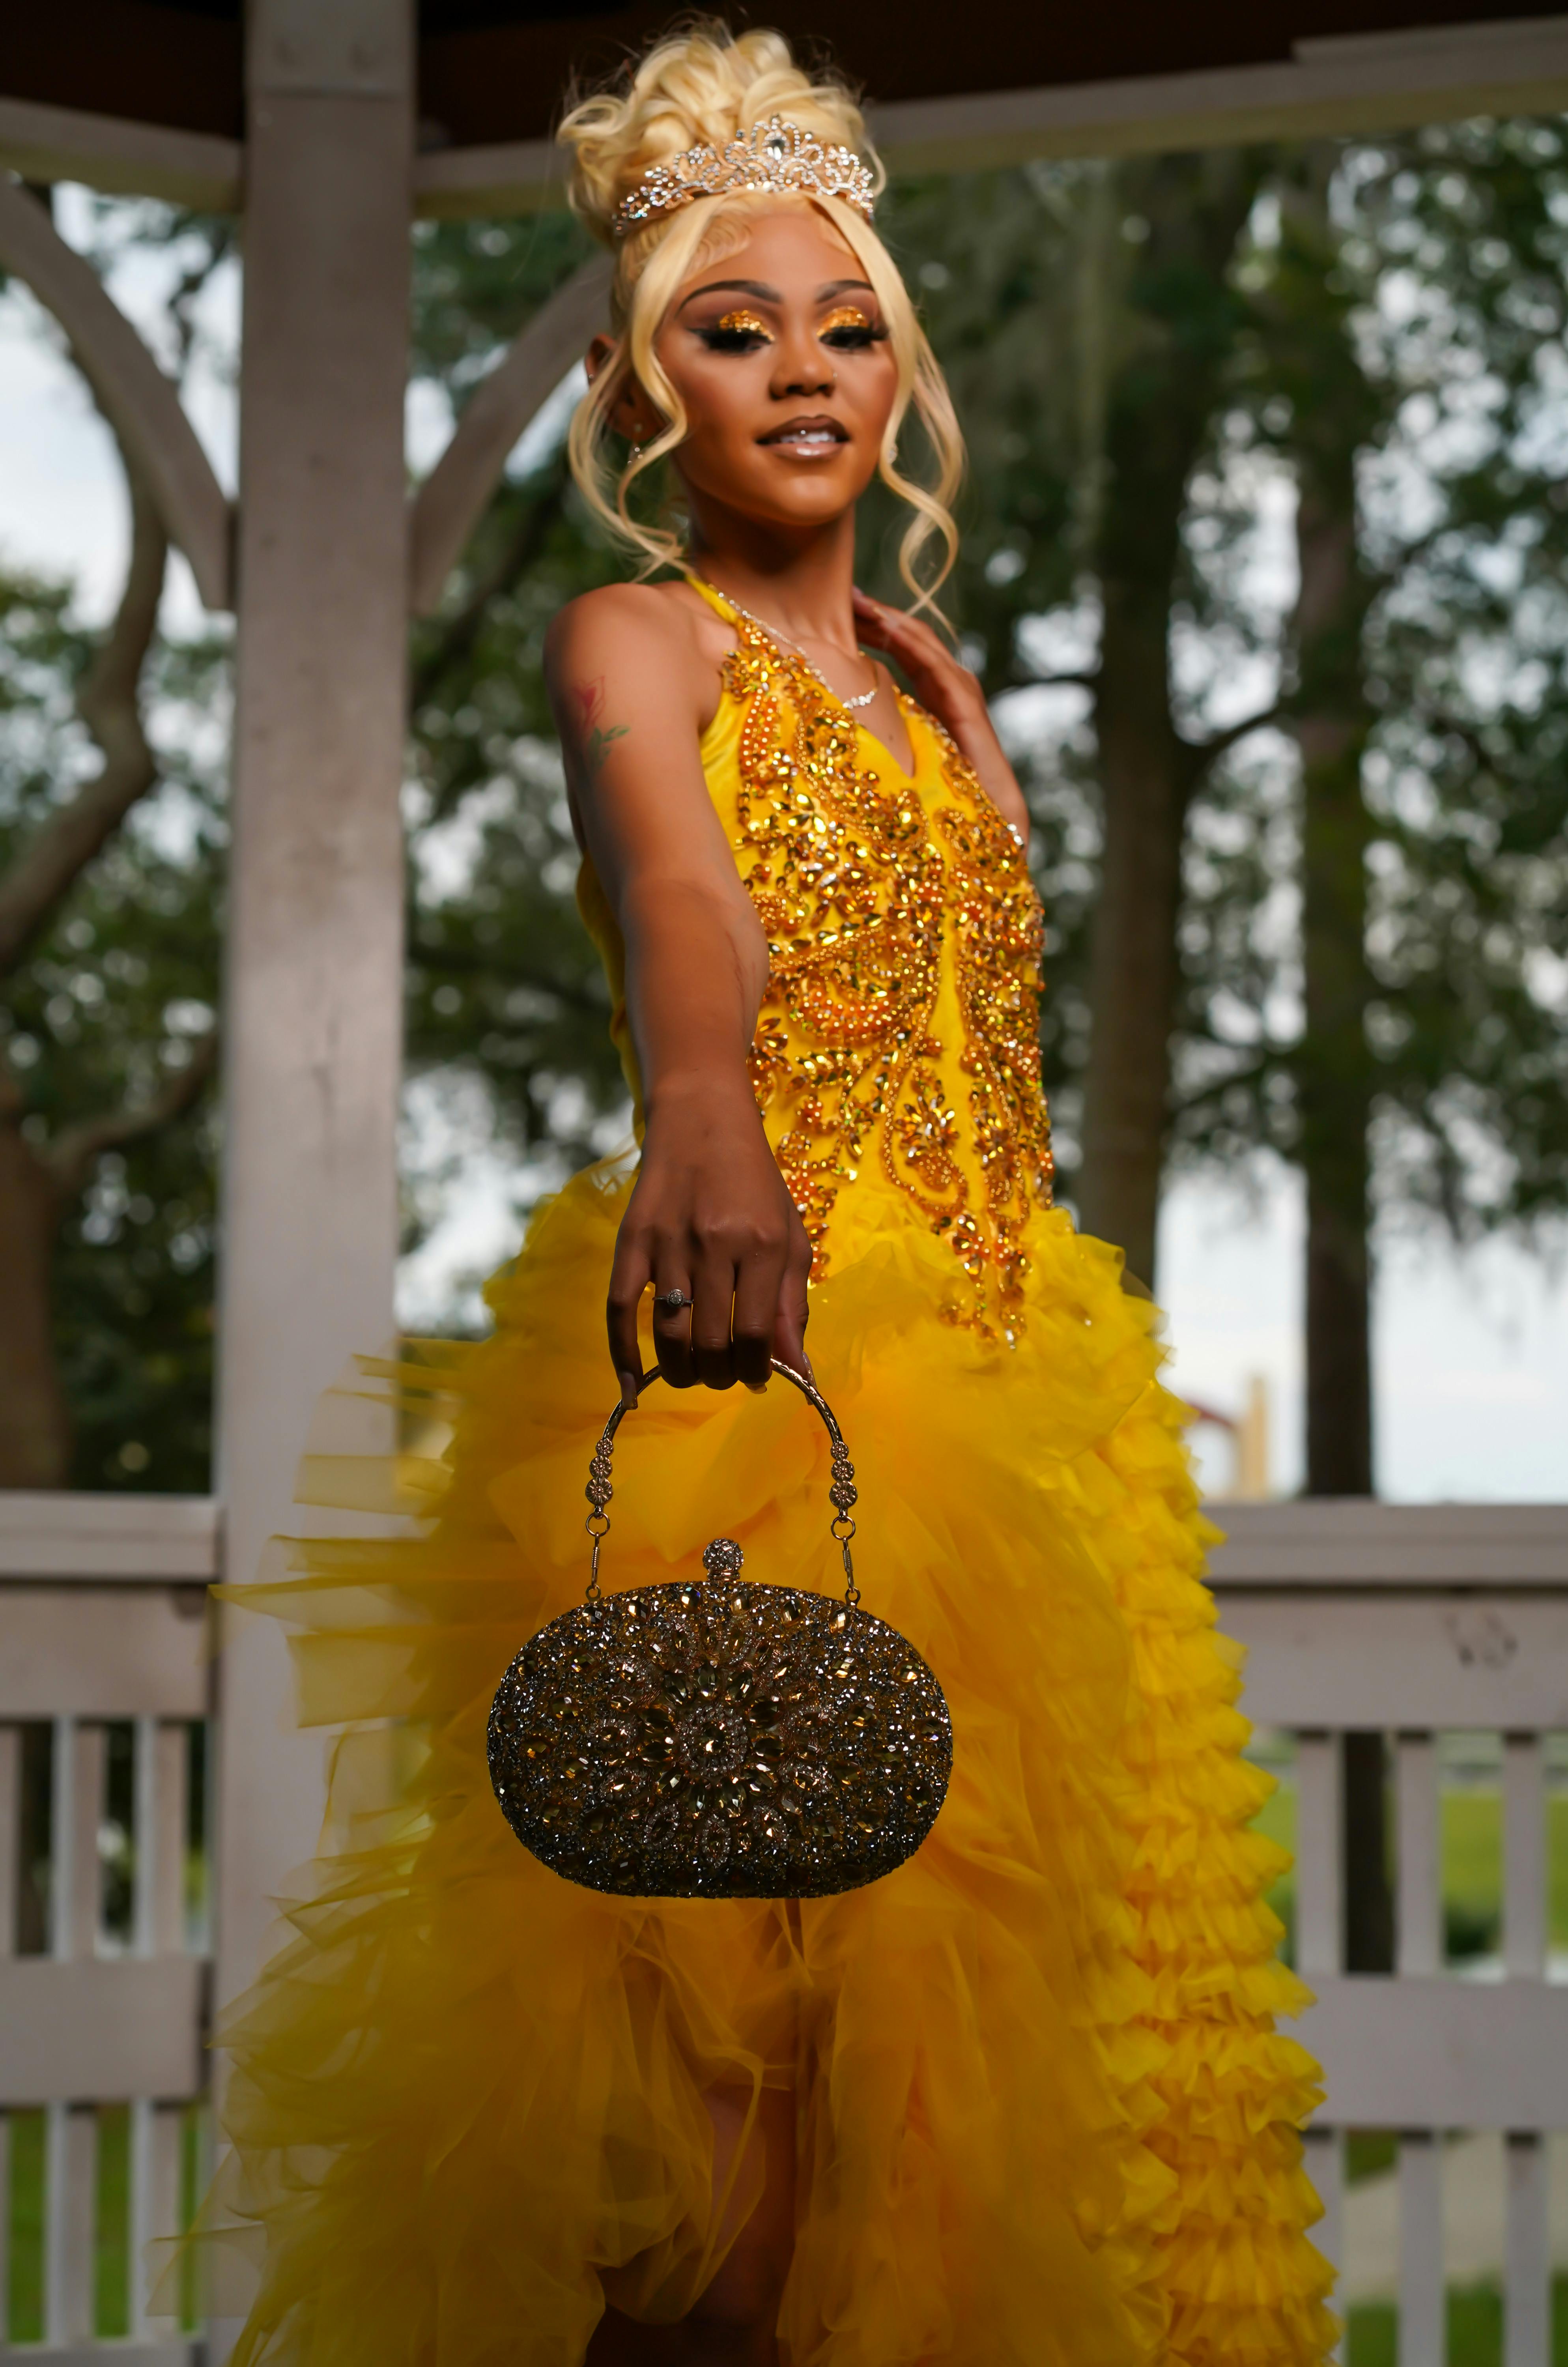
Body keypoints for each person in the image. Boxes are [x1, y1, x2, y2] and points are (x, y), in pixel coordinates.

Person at [194, 26, 1335, 2367]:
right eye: (732, 332)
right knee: (723, 2143)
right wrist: (703, 1106)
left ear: (898, 378)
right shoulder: (634, 634)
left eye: (844, 329)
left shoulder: (938, 682)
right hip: (768, 1367)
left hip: (1032, 1438)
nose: (800, 373)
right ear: (642, 405)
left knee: (1009, 2106)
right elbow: (676, 882)